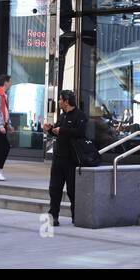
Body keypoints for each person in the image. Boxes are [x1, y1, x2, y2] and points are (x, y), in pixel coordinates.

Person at [43, 90, 86, 226]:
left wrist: (63, 130)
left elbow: (80, 133)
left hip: (71, 159)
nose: (59, 102)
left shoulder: (80, 116)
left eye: (60, 99)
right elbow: (57, 131)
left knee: (72, 190)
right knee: (54, 188)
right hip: (58, 158)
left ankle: (76, 216)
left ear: (66, 101)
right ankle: (53, 216)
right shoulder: (62, 116)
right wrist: (50, 130)